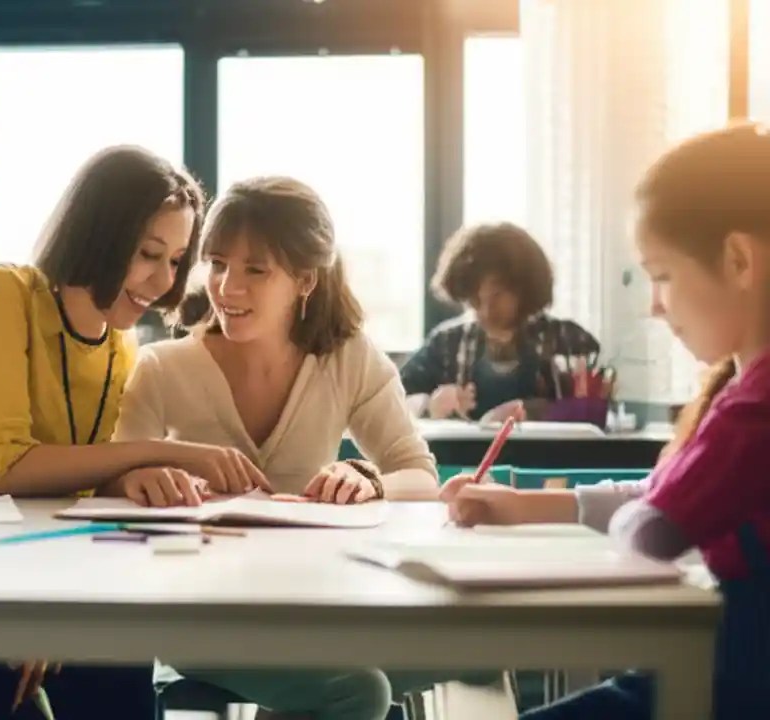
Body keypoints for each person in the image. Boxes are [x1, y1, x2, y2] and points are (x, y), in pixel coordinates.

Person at [0, 145, 263, 720]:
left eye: (177, 260)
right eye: (148, 254)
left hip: (49, 572)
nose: (162, 280)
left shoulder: (119, 347)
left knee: (121, 660)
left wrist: (134, 477)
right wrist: (159, 452)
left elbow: (81, 494)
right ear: (99, 235)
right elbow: (5, 469)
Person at [445, 124, 770, 720]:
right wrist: (525, 506)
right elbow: (657, 493)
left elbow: (654, 526)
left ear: (738, 259)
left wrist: (626, 534)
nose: (653, 304)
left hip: (721, 693)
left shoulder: (755, 409)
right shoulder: (744, 397)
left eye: (662, 275)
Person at [112, 176, 441, 720]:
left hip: (316, 608)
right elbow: (116, 485)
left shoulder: (348, 359)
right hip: (198, 617)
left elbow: (419, 476)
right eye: (217, 264)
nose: (227, 287)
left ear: (305, 279)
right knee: (360, 691)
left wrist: (369, 480)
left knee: (458, 655)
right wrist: (142, 483)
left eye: (255, 270)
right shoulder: (162, 368)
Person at [401, 223, 600, 423]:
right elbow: (394, 399)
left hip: (546, 455)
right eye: (475, 299)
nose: (486, 310)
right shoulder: (445, 343)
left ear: (524, 287)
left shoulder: (568, 340)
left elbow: (598, 417)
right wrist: (429, 405)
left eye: (497, 295)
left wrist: (540, 412)